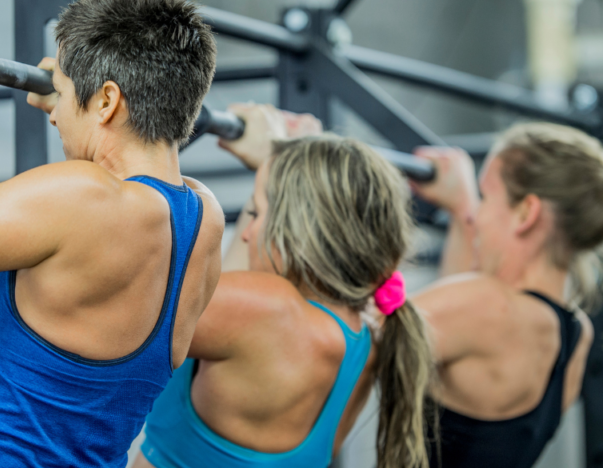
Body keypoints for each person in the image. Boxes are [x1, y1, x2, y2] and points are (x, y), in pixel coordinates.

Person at [0, 1, 224, 466]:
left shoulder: (87, 197)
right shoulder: (204, 220)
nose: (54, 115)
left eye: (62, 95)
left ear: (108, 101)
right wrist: (76, 98)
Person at [133, 104, 435, 468]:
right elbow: (233, 291)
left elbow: (115, 298)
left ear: (297, 234)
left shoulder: (268, 312)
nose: (246, 233)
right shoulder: (364, 344)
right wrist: (278, 159)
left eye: (257, 214)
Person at [410, 123, 597, 468]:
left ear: (526, 212)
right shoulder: (576, 334)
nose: (477, 215)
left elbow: (349, 341)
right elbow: (457, 340)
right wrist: (461, 208)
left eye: (485, 197)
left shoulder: (485, 306)